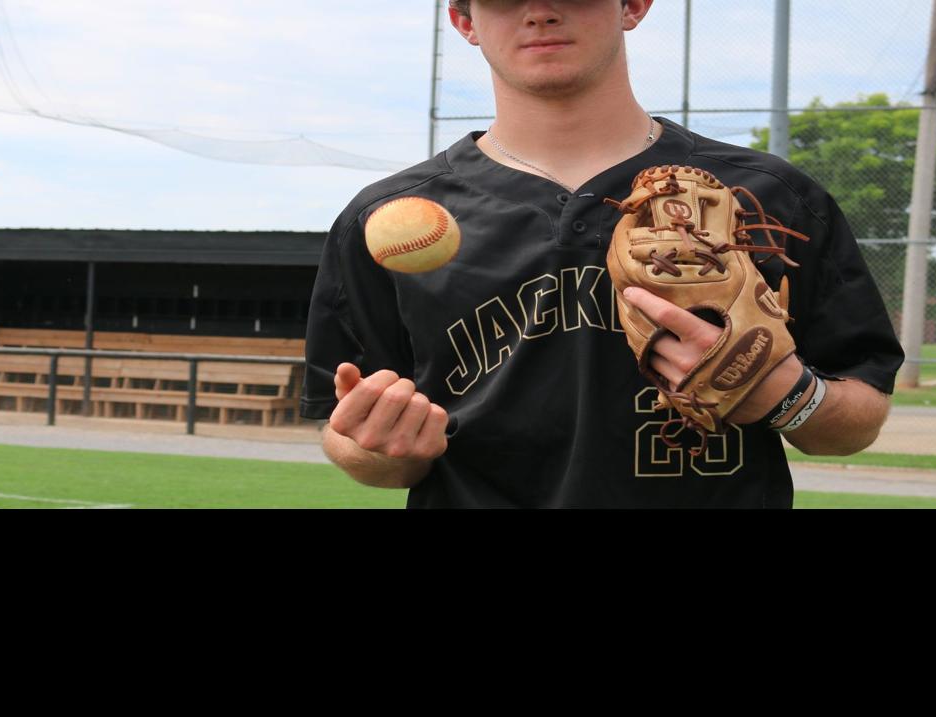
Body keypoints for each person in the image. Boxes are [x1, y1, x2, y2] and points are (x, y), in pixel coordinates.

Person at [301, 0, 903, 507]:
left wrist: (787, 394)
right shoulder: (384, 221)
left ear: (633, 5)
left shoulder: (768, 196)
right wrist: (379, 450)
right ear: (465, 22)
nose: (539, 12)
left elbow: (855, 422)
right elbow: (348, 432)